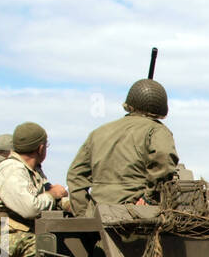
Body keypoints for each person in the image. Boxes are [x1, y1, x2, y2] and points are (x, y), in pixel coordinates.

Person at [66, 78, 183, 216]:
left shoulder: (98, 133)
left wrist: (85, 215)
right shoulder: (157, 131)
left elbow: (75, 175)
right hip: (137, 215)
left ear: (130, 104)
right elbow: (164, 160)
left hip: (98, 216)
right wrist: (149, 198)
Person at [0, 122, 67, 257]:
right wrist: (52, 195)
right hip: (4, 237)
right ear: (41, 148)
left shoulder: (33, 170)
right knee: (54, 248)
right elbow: (31, 209)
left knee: (67, 241)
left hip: (20, 232)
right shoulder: (12, 169)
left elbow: (47, 192)